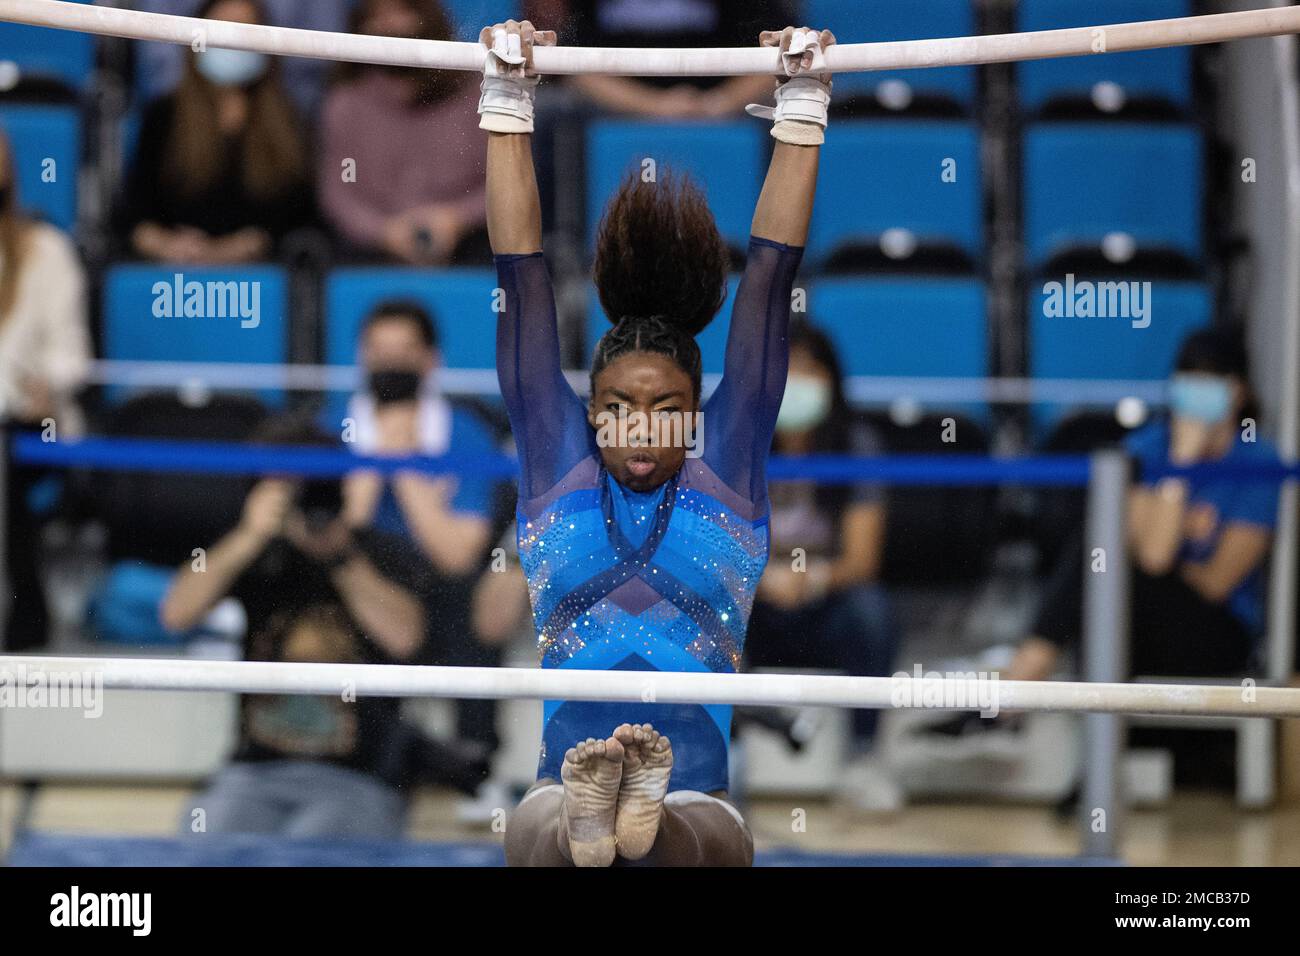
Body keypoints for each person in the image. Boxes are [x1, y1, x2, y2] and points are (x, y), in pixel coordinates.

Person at [483, 19, 833, 866]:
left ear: (702, 409)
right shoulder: (556, 464)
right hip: (558, 796)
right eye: (617, 410)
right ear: (587, 409)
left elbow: (769, 279)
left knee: (688, 841)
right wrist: (506, 94)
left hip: (700, 800)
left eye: (666, 408)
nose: (640, 433)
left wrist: (802, 101)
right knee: (537, 833)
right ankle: (596, 814)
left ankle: (639, 811)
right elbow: (519, 276)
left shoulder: (731, 469)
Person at [161, 419, 430, 838]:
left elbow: (406, 638)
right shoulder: (256, 552)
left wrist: (340, 557)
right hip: (255, 771)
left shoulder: (377, 552)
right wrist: (249, 536)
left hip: (360, 776)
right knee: (204, 841)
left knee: (315, 851)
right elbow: (176, 614)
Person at [1006, 328, 1281, 687]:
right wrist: (1179, 508)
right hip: (1140, 621)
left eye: (1210, 380)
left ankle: (1017, 683)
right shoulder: (1148, 447)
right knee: (1099, 556)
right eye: (1189, 379)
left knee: (1112, 567)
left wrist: (1177, 472)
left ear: (1238, 390)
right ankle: (1020, 685)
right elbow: (1150, 552)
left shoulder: (1259, 461)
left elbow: (1208, 581)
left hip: (1215, 633)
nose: (1197, 391)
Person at [745, 322, 901, 809]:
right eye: (787, 369)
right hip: (756, 602)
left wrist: (808, 581)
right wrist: (762, 578)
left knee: (872, 610)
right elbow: (716, 542)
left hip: (826, 604)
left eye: (810, 370)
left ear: (832, 380)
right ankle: (723, 748)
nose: (798, 381)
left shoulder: (857, 443)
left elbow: (862, 559)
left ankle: (863, 759)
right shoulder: (741, 443)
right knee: (706, 599)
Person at [341, 300, 501, 764]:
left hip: (443, 581)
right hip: (364, 575)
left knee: (467, 592)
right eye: (378, 350)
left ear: (432, 359)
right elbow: (342, 532)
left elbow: (456, 554)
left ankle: (474, 759)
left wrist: (402, 463)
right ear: (360, 356)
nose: (391, 364)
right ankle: (362, 759)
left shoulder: (468, 432)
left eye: (406, 351)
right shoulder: (329, 427)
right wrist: (378, 467)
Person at [119, 0, 314, 264]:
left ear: (266, 45)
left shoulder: (287, 119)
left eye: (245, 31)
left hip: (262, 277)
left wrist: (255, 242)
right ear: (197, 43)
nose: (232, 44)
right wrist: (163, 243)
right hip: (174, 273)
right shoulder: (163, 116)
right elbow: (133, 212)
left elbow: (304, 217)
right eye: (221, 31)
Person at [0, 127, 91, 650]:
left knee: (4, 460)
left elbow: (72, 354)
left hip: (33, 423)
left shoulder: (46, 250)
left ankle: (25, 616)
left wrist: (46, 384)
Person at [319, 0, 490, 265]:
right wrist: (383, 231)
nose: (389, 24)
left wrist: (456, 219)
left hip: (469, 244)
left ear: (428, 18)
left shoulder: (476, 94)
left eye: (402, 12)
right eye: (377, 16)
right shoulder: (345, 104)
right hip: (372, 251)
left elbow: (501, 182)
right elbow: (338, 193)